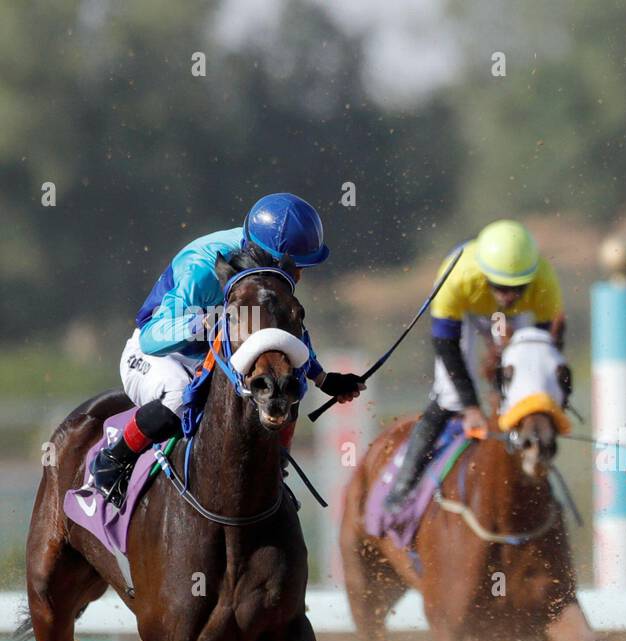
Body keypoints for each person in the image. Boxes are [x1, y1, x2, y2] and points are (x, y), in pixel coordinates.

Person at [92, 193, 365, 506]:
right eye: (296, 268)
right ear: (269, 256)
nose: (299, 277)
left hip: (213, 356)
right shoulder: (202, 269)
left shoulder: (264, 271)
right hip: (159, 355)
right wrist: (214, 322)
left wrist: (323, 379)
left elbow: (283, 336)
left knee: (285, 387)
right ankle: (113, 461)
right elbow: (152, 339)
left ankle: (275, 479)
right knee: (180, 394)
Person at [383, 219, 564, 511]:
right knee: (449, 395)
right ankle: (404, 482)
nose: (509, 295)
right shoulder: (457, 276)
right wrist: (471, 407)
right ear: (485, 275)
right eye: (502, 287)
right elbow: (446, 345)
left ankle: (538, 475)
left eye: (518, 287)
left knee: (529, 395)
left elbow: (544, 355)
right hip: (465, 314)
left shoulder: (545, 281)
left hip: (518, 321)